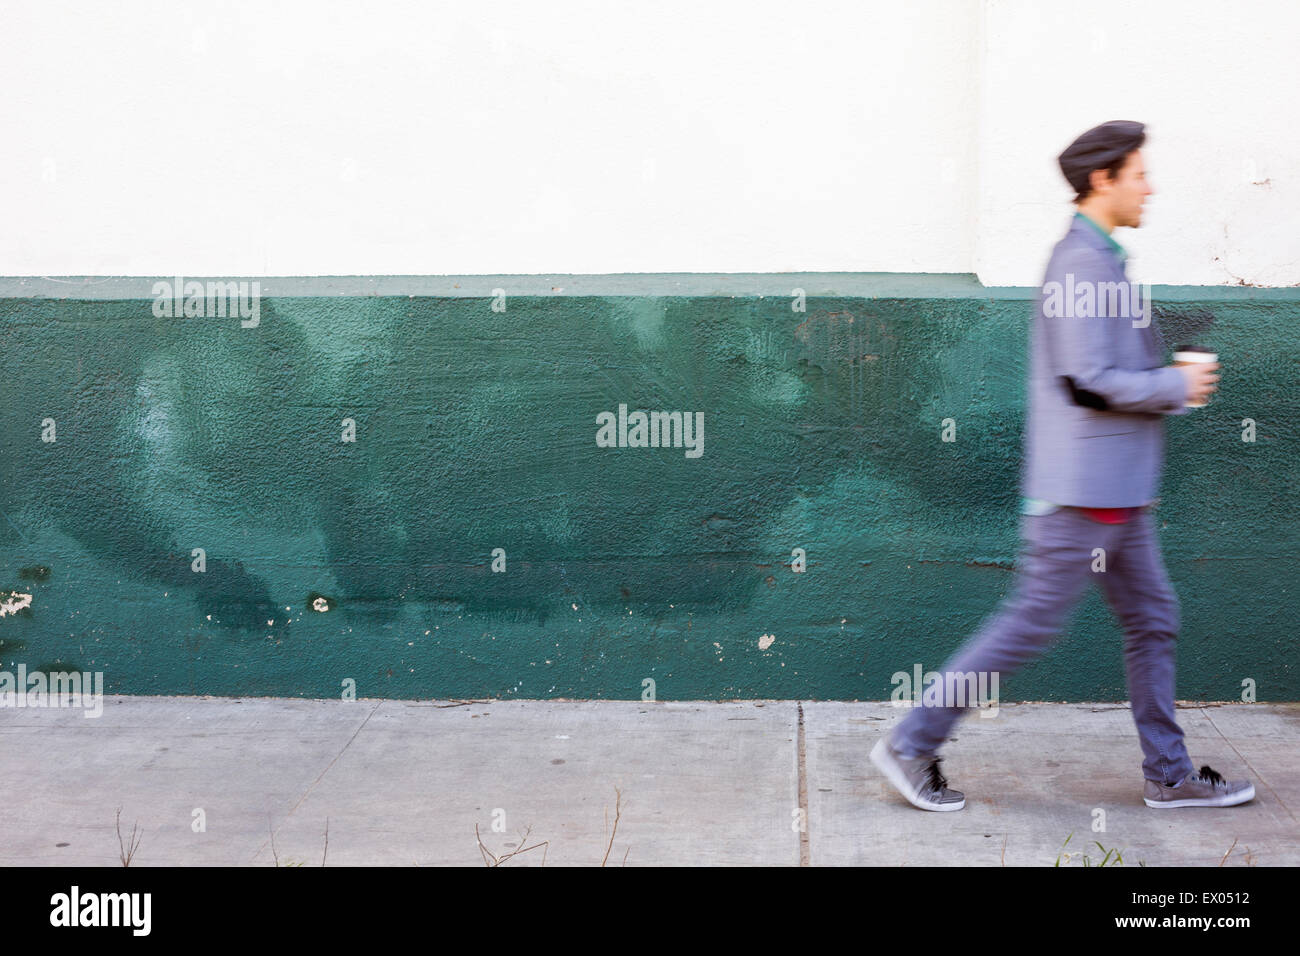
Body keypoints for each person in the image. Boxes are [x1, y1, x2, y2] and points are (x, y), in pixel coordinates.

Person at [870, 120, 1255, 811]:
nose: (1150, 186)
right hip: (1085, 495)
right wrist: (1176, 386)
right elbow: (1087, 378)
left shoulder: (1101, 258)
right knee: (1032, 624)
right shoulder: (1080, 261)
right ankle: (911, 741)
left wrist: (1168, 373)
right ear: (1103, 179)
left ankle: (1168, 775)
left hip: (1117, 492)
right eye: (1139, 173)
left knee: (1153, 619)